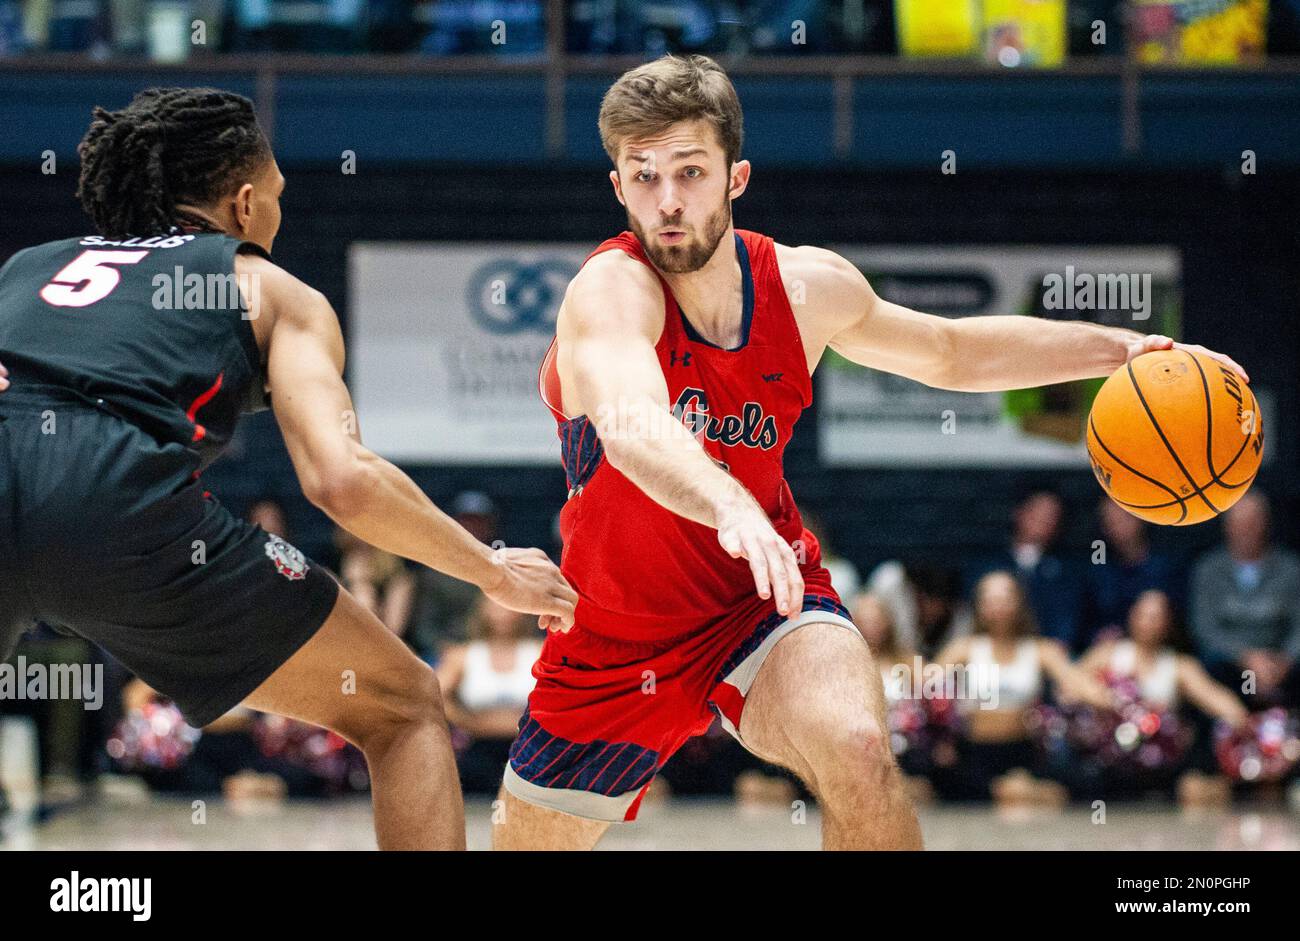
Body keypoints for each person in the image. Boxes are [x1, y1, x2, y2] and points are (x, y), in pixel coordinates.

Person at [491, 54, 1246, 850]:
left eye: (690, 171)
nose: (668, 199)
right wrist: (726, 501)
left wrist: (1119, 348)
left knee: (857, 748)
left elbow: (953, 352)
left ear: (736, 176)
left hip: (762, 600)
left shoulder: (804, 288)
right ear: (617, 187)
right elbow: (632, 423)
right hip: (615, 630)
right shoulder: (608, 291)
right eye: (643, 176)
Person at [0, 87, 576, 851]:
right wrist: (490, 569)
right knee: (402, 704)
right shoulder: (267, 287)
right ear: (243, 206)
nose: (276, 216)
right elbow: (342, 481)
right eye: (276, 198)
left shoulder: (26, 268)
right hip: (114, 504)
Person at [935, 571, 1111, 805]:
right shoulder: (964, 648)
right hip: (974, 752)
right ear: (978, 605)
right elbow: (927, 685)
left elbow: (1077, 682)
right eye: (990, 598)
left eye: (1005, 597)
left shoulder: (1041, 649)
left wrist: (1114, 701)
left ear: (1019, 602)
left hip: (1023, 752)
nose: (997, 605)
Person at [1078, 589, 1248, 802]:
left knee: (1194, 786)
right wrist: (1107, 699)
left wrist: (1239, 718)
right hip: (1108, 762)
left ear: (1168, 623)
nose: (1147, 623)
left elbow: (1216, 698)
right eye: (1142, 614)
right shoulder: (1108, 653)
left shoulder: (1180, 665)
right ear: (1131, 616)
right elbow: (1069, 685)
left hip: (1162, 763)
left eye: (1155, 617)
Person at [1189, 491, 1300, 709]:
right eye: (1239, 524)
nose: (1246, 531)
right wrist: (1247, 658)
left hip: (1282, 664)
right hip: (1228, 666)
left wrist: (1285, 660)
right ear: (1226, 527)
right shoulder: (1208, 569)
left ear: (1266, 524)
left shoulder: (1291, 568)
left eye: (1252, 523)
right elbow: (1204, 629)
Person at [435, 597, 543, 794]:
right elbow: (434, 694)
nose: (502, 614)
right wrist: (464, 721)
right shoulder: (462, 654)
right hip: (478, 749)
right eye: (495, 606)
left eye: (507, 606)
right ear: (482, 610)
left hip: (531, 751)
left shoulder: (540, 651)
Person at [1082, 497, 1180, 649]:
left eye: (1124, 518)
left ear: (1140, 518)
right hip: (1108, 650)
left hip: (1157, 648)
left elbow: (1174, 618)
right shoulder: (1099, 560)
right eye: (1110, 521)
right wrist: (1098, 635)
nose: (1117, 526)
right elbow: (1089, 614)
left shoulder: (1164, 563)